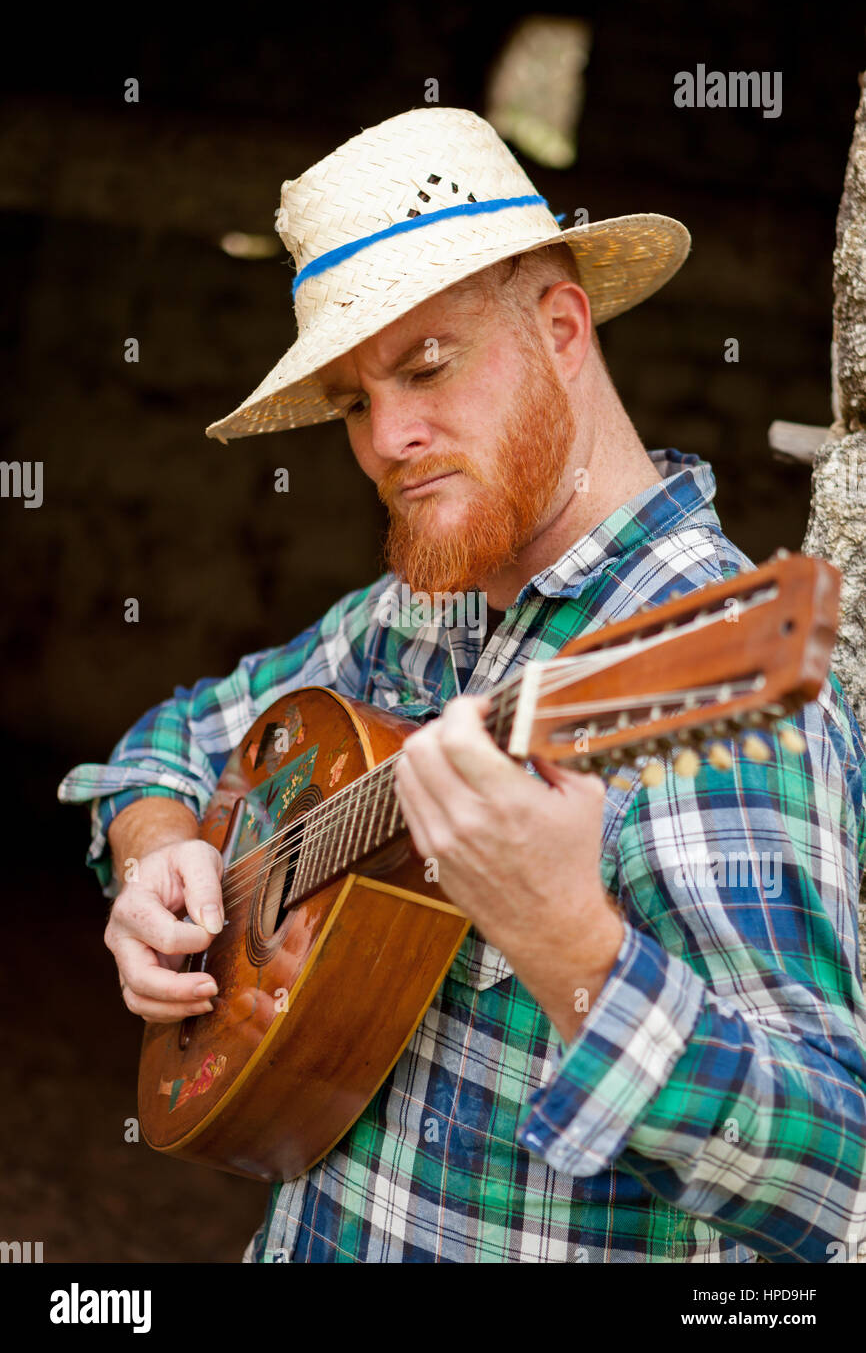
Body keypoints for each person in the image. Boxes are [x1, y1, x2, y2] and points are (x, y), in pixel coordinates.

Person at [58, 107, 866, 1264]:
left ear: (560, 327)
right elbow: (166, 739)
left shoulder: (718, 679)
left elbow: (830, 1178)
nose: (388, 437)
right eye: (350, 402)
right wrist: (152, 852)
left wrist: (573, 949)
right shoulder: (415, 610)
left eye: (426, 363)